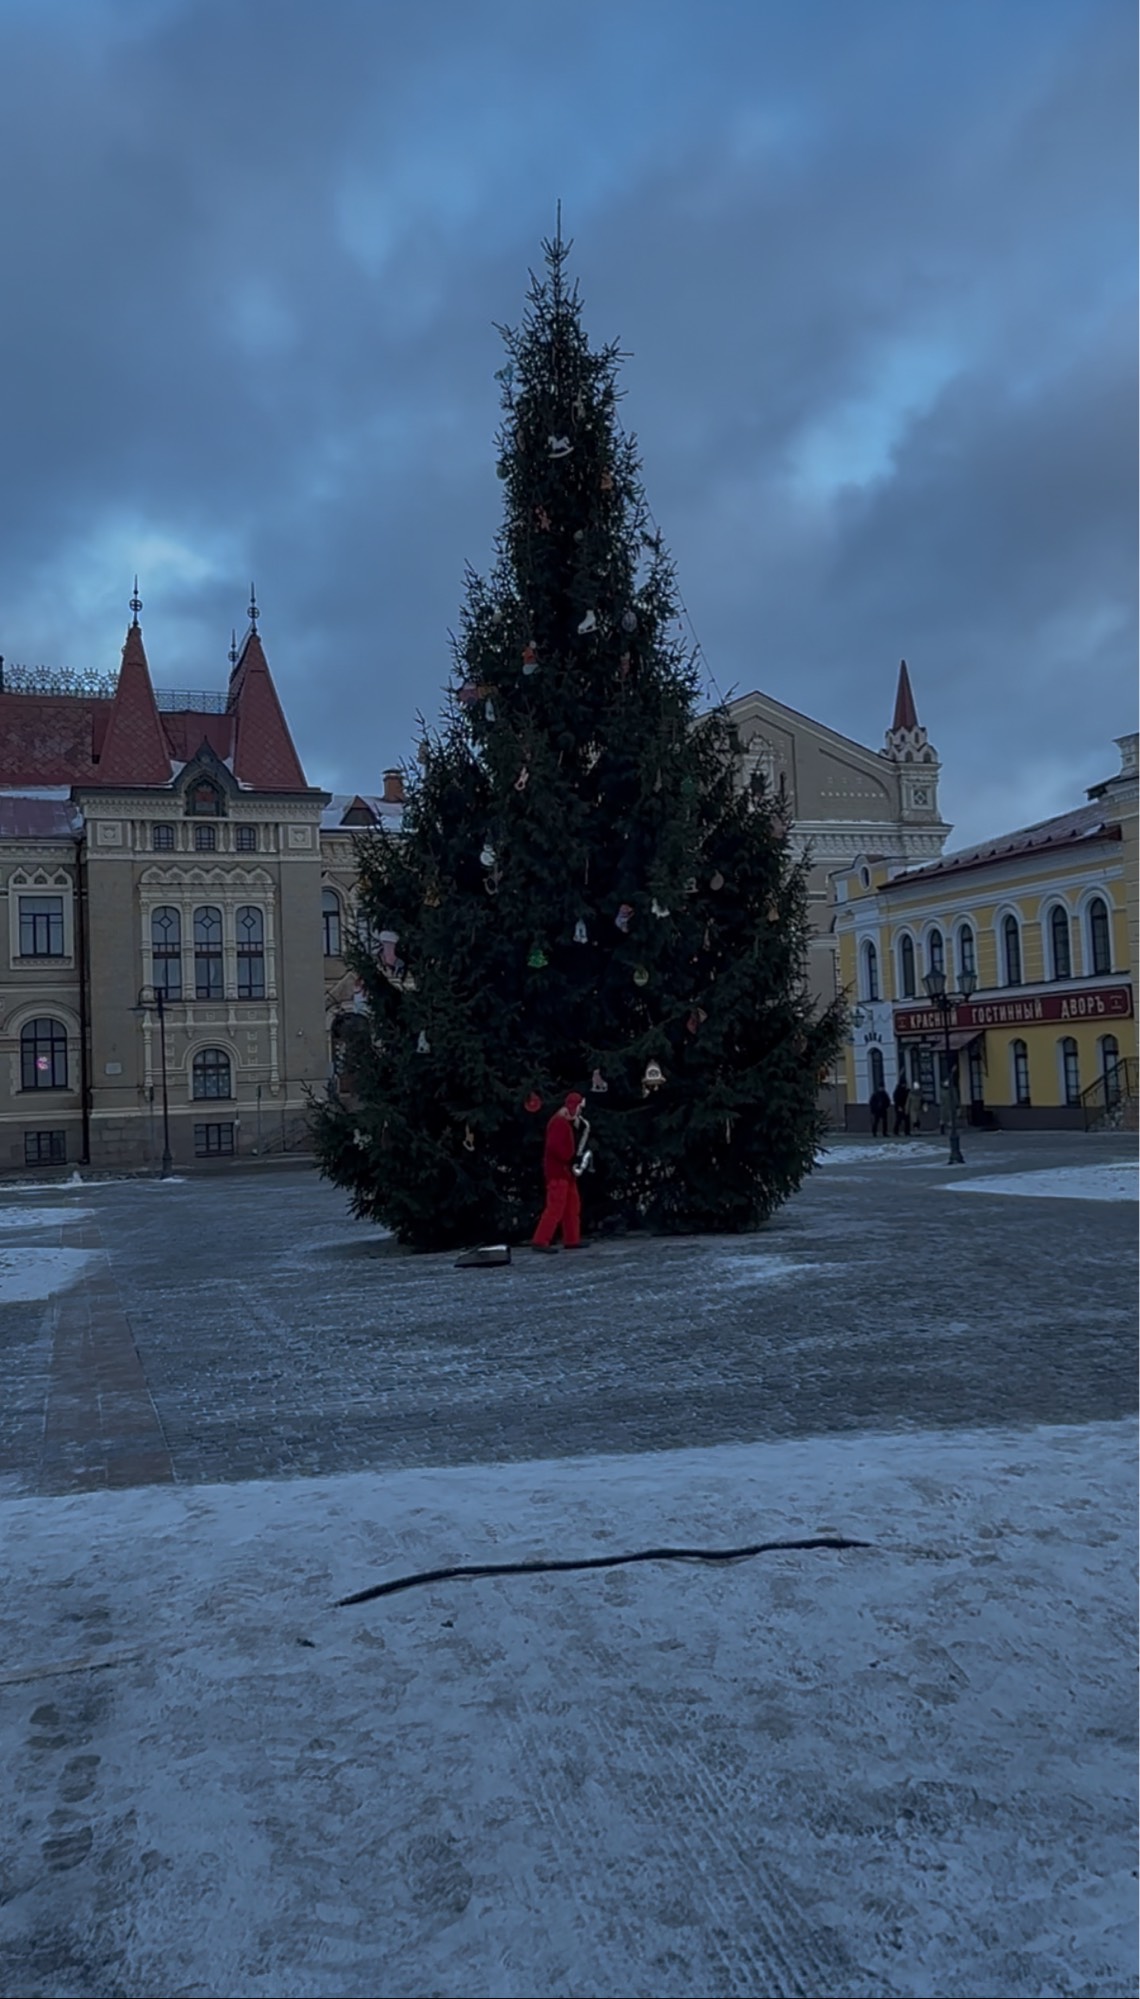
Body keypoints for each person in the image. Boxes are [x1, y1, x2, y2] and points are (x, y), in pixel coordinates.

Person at [531, 1092, 586, 1251]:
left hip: (566, 1172)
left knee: (572, 1207)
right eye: (580, 1108)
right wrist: (571, 1157)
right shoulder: (559, 1123)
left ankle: (572, 1240)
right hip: (558, 1172)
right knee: (555, 1206)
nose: (581, 1112)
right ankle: (540, 1240)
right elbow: (554, 1147)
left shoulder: (564, 1122)